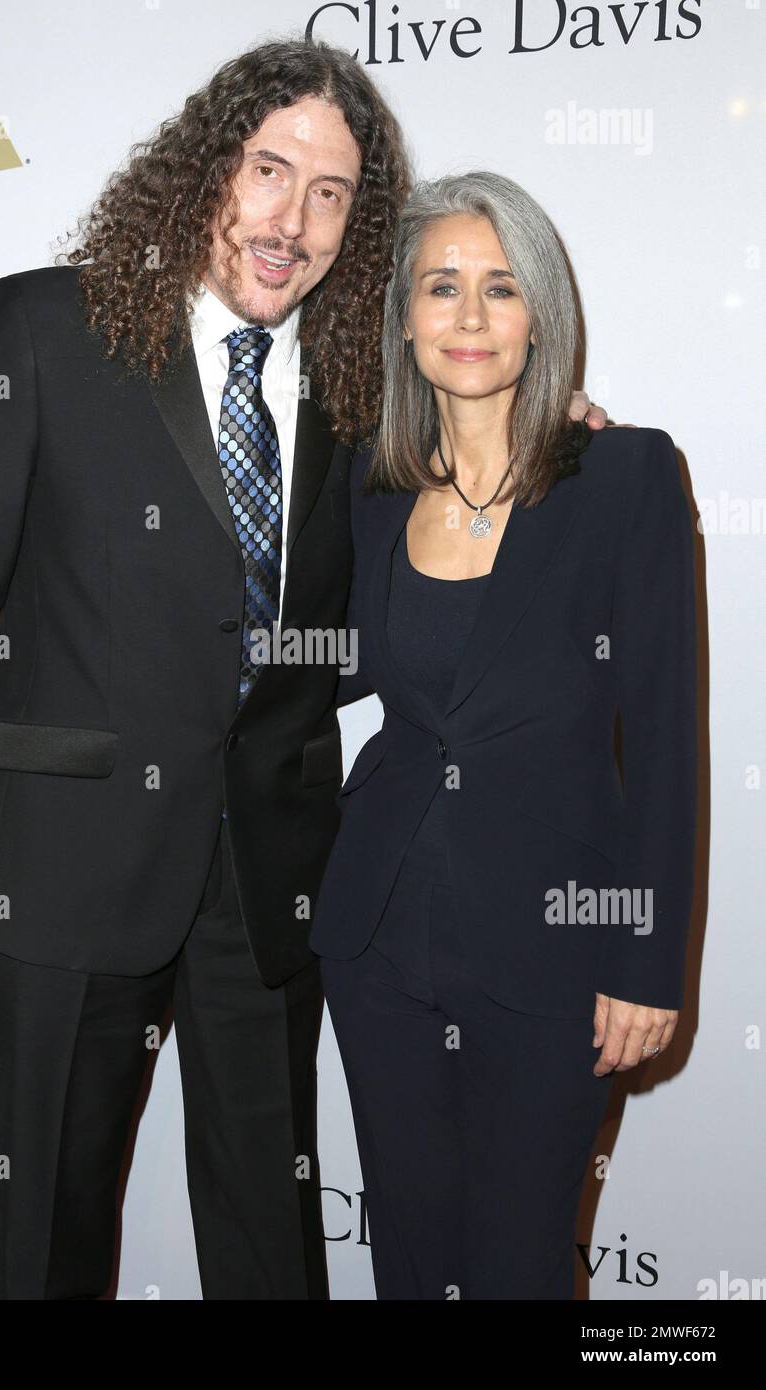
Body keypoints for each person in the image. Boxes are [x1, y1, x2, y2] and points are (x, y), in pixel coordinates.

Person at [0, 41, 609, 1301]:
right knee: (43, 1229)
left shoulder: (356, 390)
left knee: (271, 1244)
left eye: (330, 193)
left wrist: (560, 430)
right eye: (269, 170)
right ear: (203, 170)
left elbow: (396, 573)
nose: (292, 219)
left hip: (268, 872)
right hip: (65, 857)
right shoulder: (48, 324)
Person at [311, 171, 697, 1301]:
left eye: (500, 288)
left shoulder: (622, 475)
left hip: (554, 951)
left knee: (520, 1267)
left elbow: (666, 737)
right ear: (404, 319)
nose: (469, 318)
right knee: (411, 1262)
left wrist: (642, 956)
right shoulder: (369, 484)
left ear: (543, 315)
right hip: (378, 938)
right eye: (440, 287)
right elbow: (323, 664)